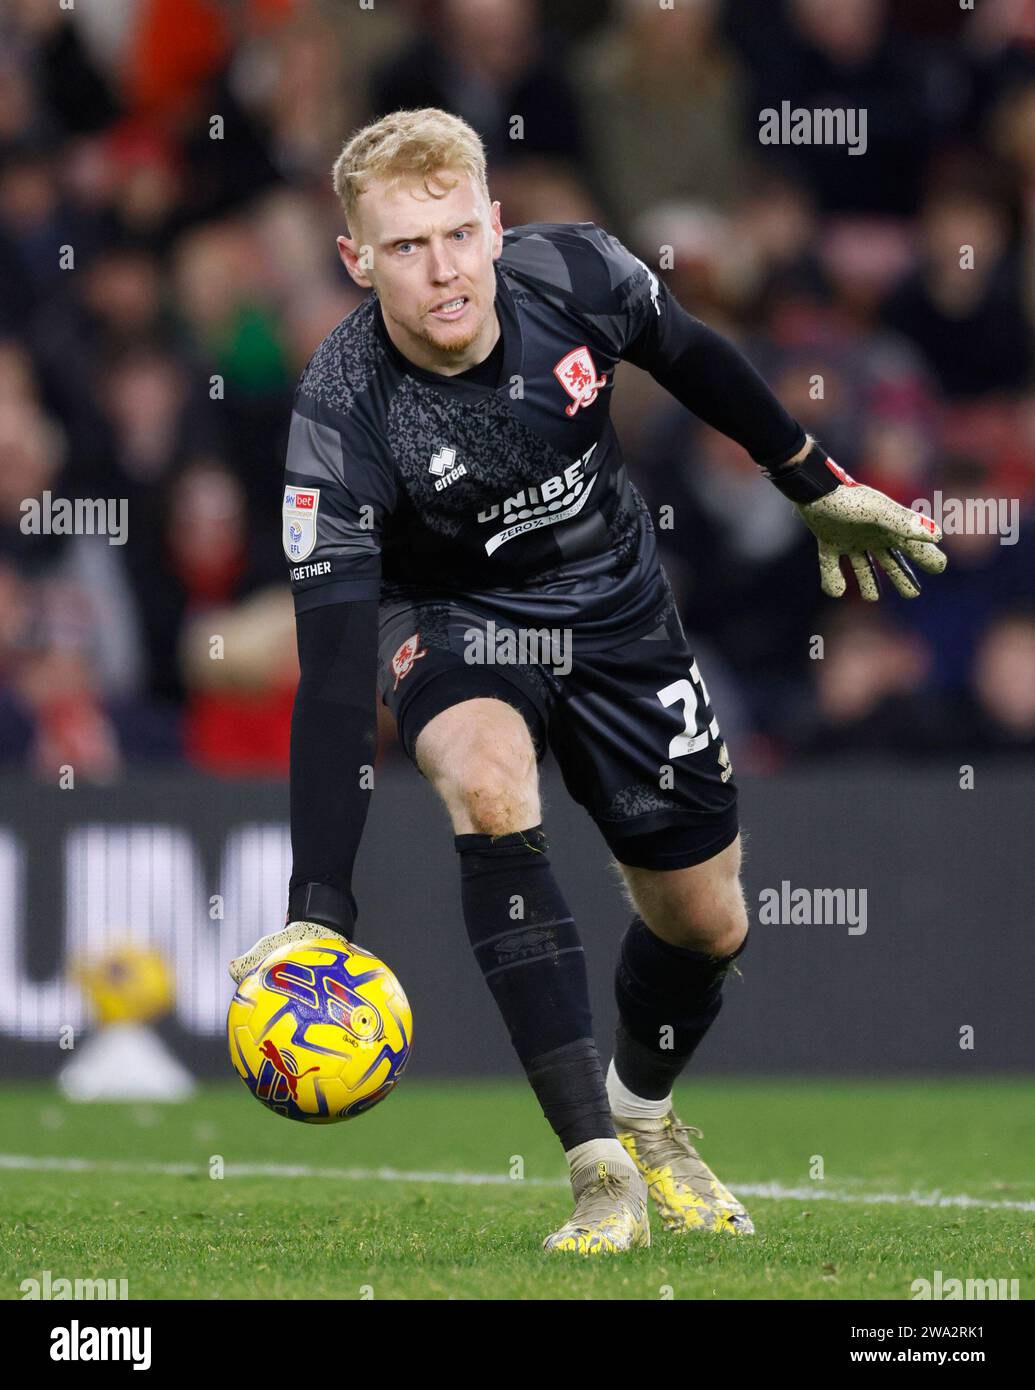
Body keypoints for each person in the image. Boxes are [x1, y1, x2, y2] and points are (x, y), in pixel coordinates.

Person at [228, 108, 945, 1254]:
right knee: (486, 776)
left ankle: (645, 1116)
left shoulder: (579, 271)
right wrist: (321, 912)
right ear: (356, 262)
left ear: (497, 226)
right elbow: (331, 676)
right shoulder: (340, 416)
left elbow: (695, 355)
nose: (444, 269)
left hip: (617, 616)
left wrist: (810, 478)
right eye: (406, 249)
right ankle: (595, 1165)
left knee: (707, 922)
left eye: (459, 234)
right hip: (453, 622)